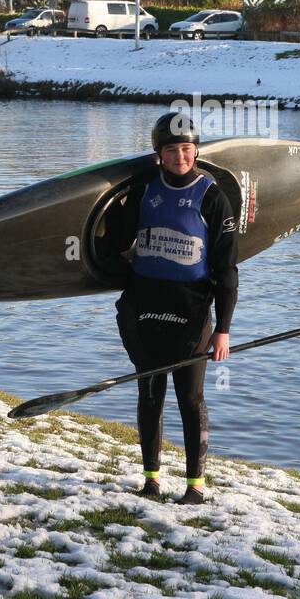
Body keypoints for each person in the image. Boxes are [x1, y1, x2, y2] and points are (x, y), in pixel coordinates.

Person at [98, 112, 238, 505]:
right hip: (144, 304)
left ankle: (195, 486)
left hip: (192, 309)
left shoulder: (212, 197)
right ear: (159, 154)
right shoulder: (144, 191)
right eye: (172, 150)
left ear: (196, 152)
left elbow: (227, 270)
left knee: (190, 397)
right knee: (149, 392)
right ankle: (151, 480)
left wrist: (223, 328)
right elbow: (114, 240)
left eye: (187, 149)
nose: (180, 157)